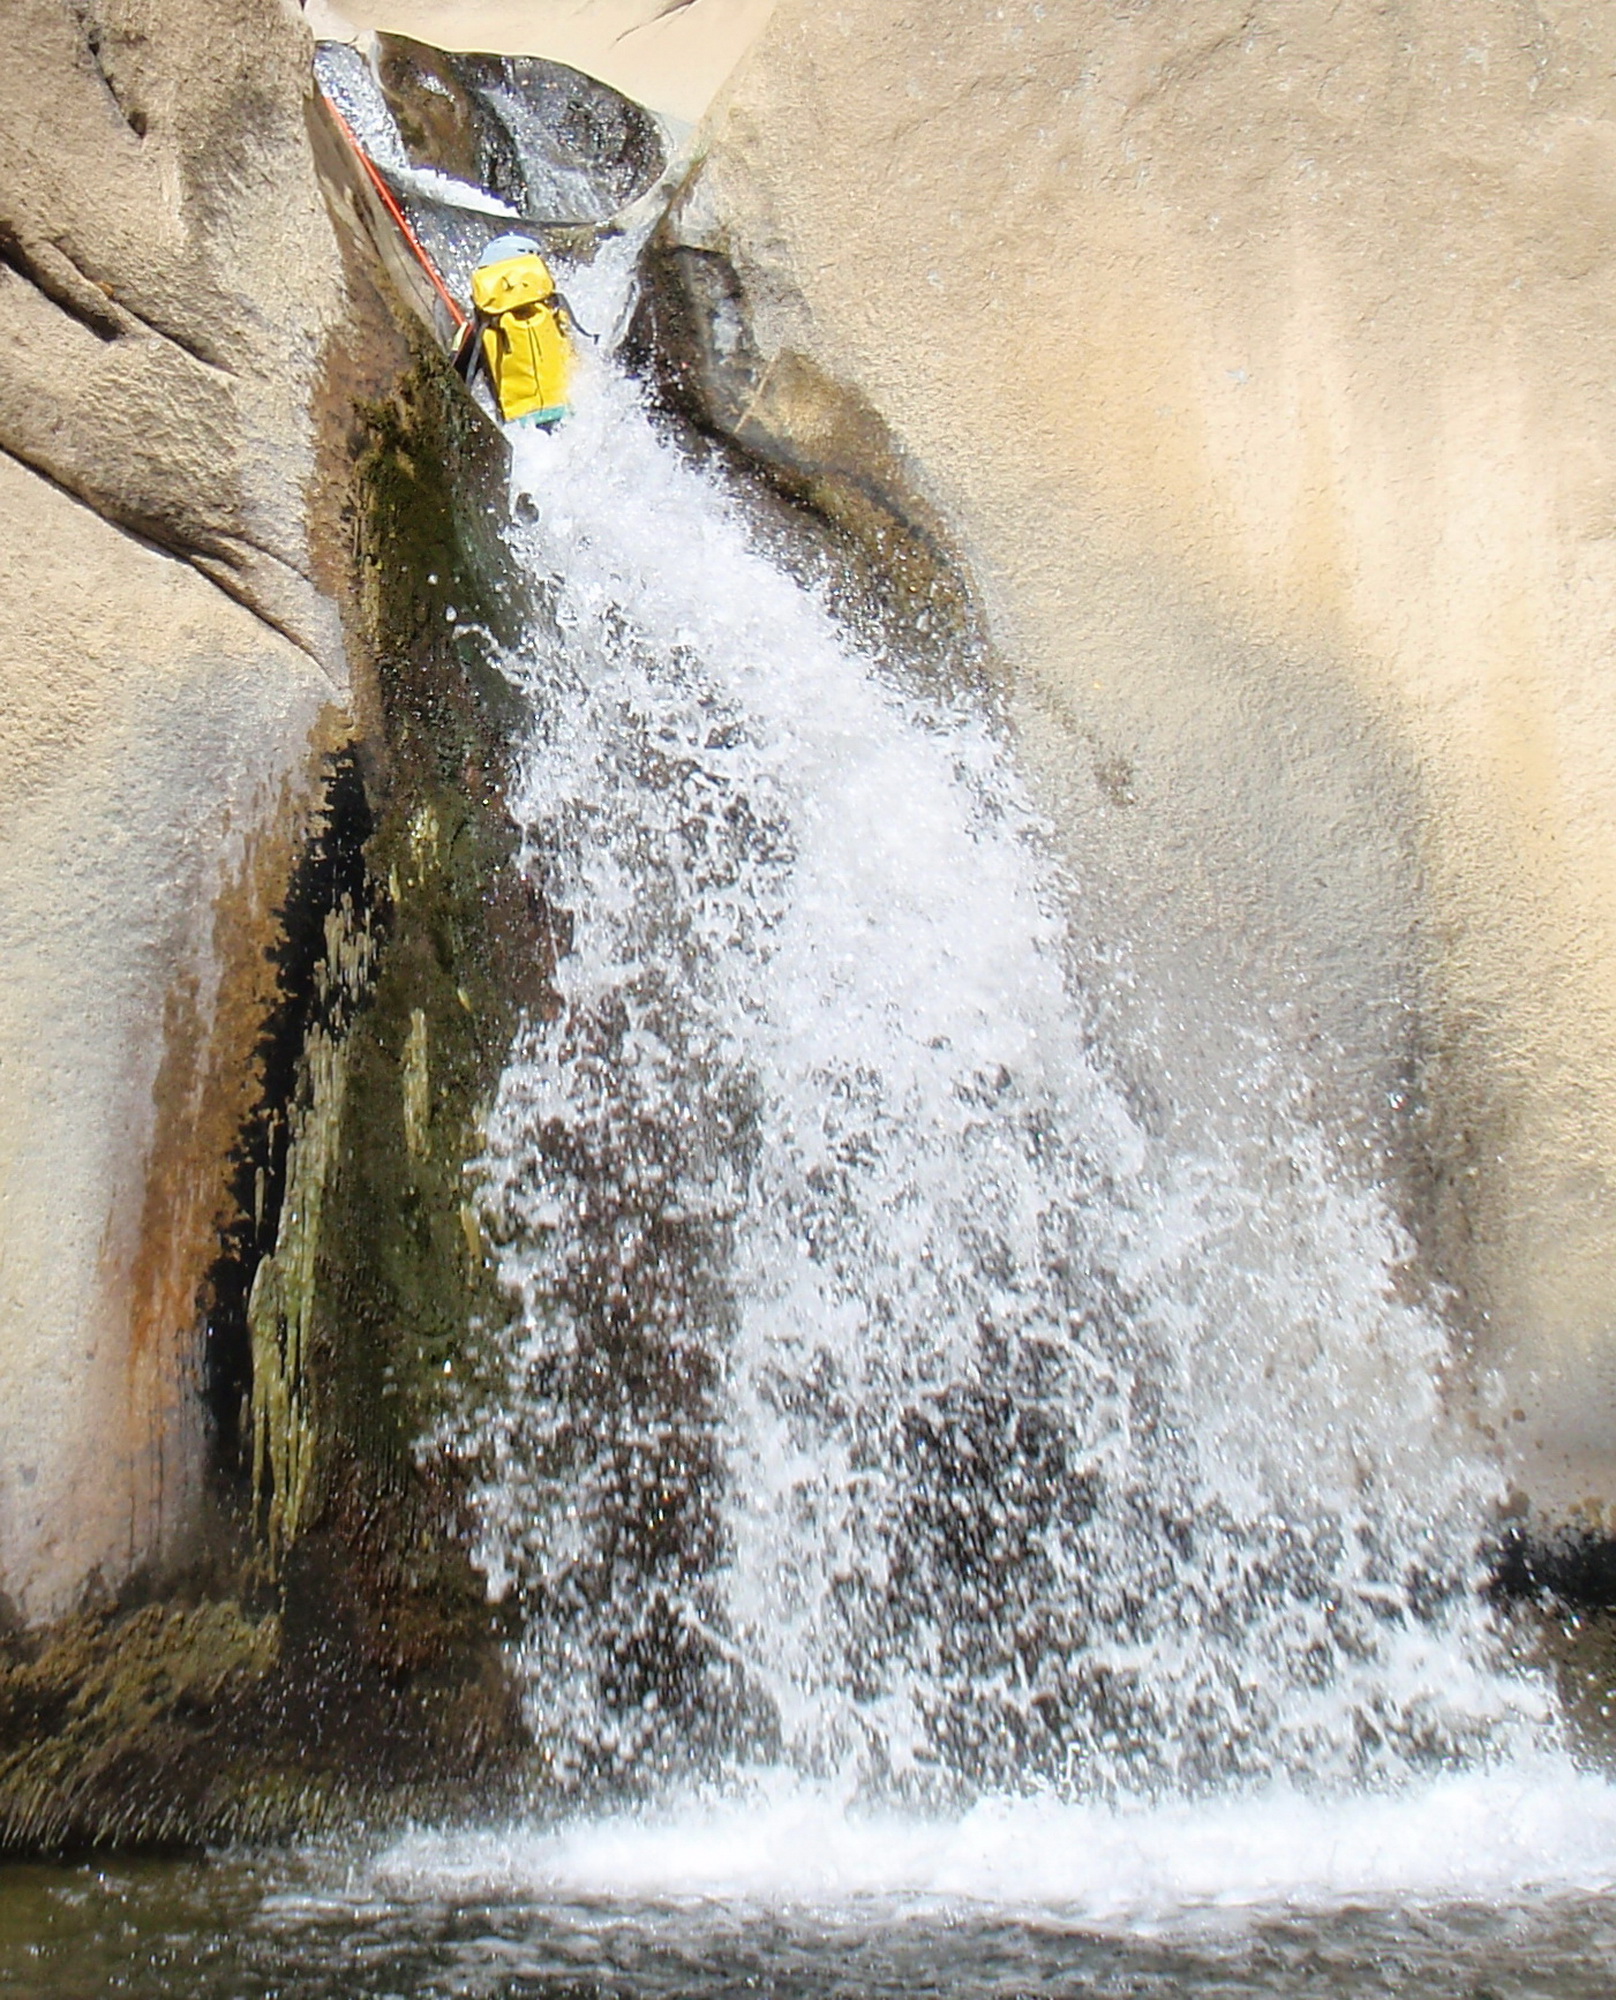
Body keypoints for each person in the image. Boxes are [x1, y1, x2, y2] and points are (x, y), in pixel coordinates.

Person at [454, 233, 579, 428]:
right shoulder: (552, 307)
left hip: (519, 426)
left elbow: (458, 380)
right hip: (568, 413)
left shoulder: (484, 323)